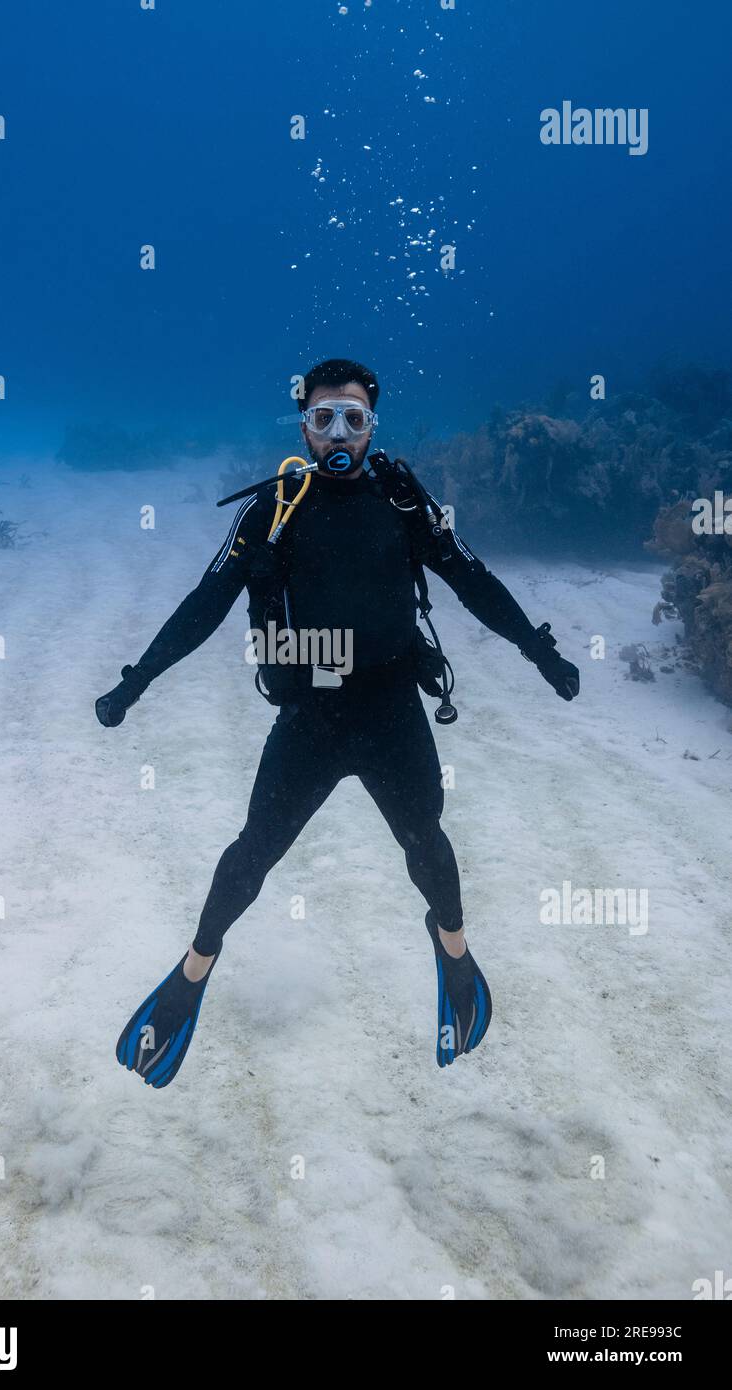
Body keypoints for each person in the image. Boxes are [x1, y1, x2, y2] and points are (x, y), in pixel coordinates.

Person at [98, 359, 580, 1088]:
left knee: (427, 844)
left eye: (354, 418)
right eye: (324, 419)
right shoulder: (274, 510)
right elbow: (206, 603)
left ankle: (451, 949)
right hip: (312, 710)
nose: (339, 433)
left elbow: (473, 581)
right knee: (254, 850)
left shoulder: (403, 500)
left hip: (391, 706)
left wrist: (539, 651)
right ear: (304, 427)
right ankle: (192, 973)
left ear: (373, 426)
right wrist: (136, 682)